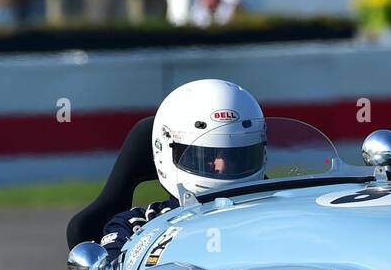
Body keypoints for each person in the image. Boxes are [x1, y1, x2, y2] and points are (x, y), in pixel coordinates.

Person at [98, 79, 266, 257]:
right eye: (206, 155)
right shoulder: (134, 228)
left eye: (237, 155)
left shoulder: (280, 212)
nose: (222, 165)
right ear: (164, 150)